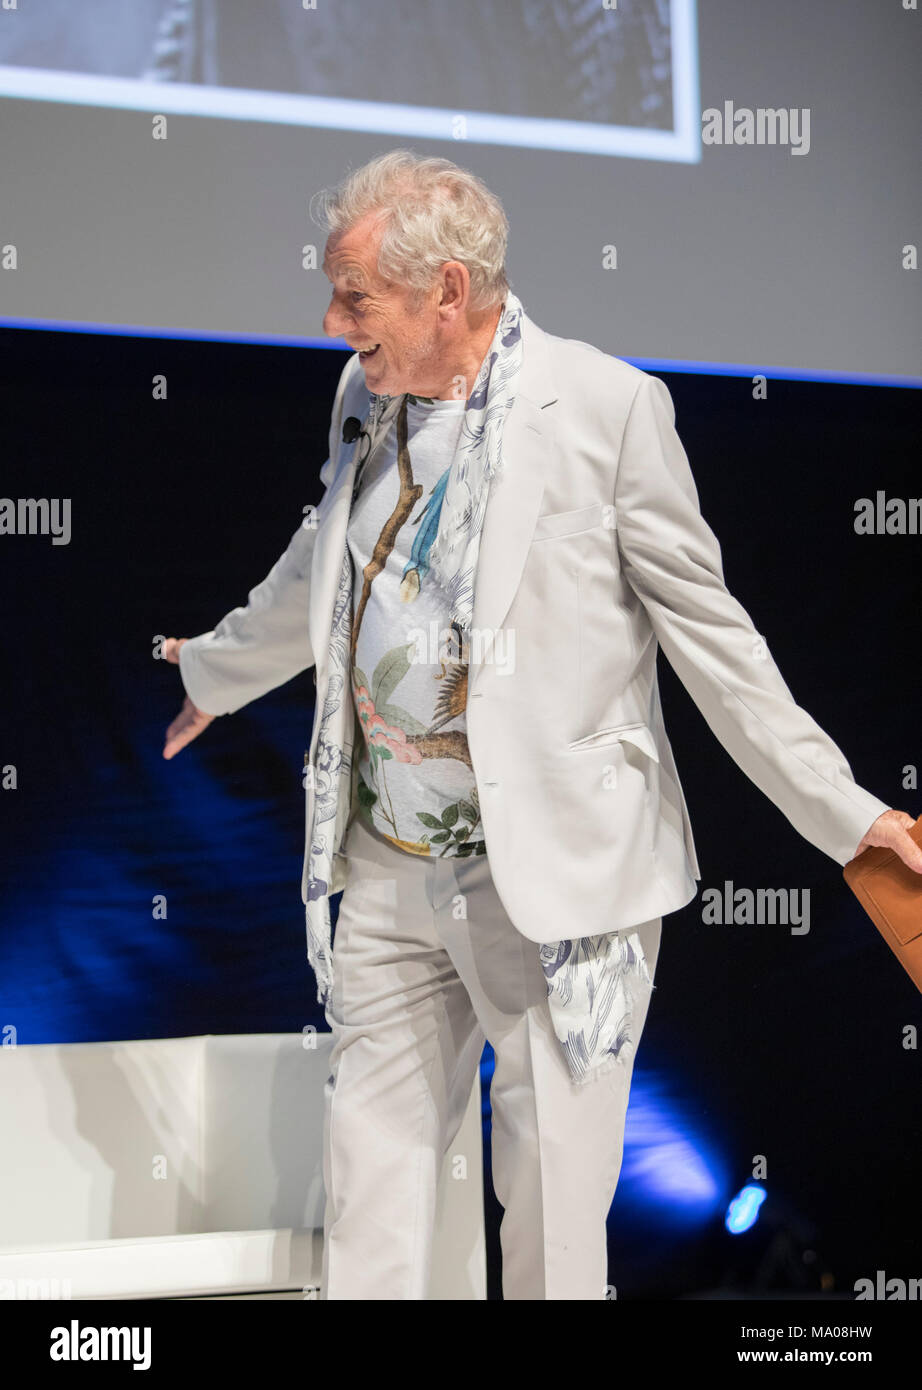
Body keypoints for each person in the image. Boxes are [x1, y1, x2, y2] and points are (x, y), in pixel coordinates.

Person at [161, 150, 921, 1301]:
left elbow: (719, 649)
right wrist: (219, 670)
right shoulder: (365, 396)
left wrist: (849, 815)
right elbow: (325, 560)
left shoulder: (608, 409)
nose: (331, 322)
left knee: (555, 1224)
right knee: (368, 1199)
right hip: (382, 869)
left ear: (447, 290)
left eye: (356, 297)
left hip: (559, 886)